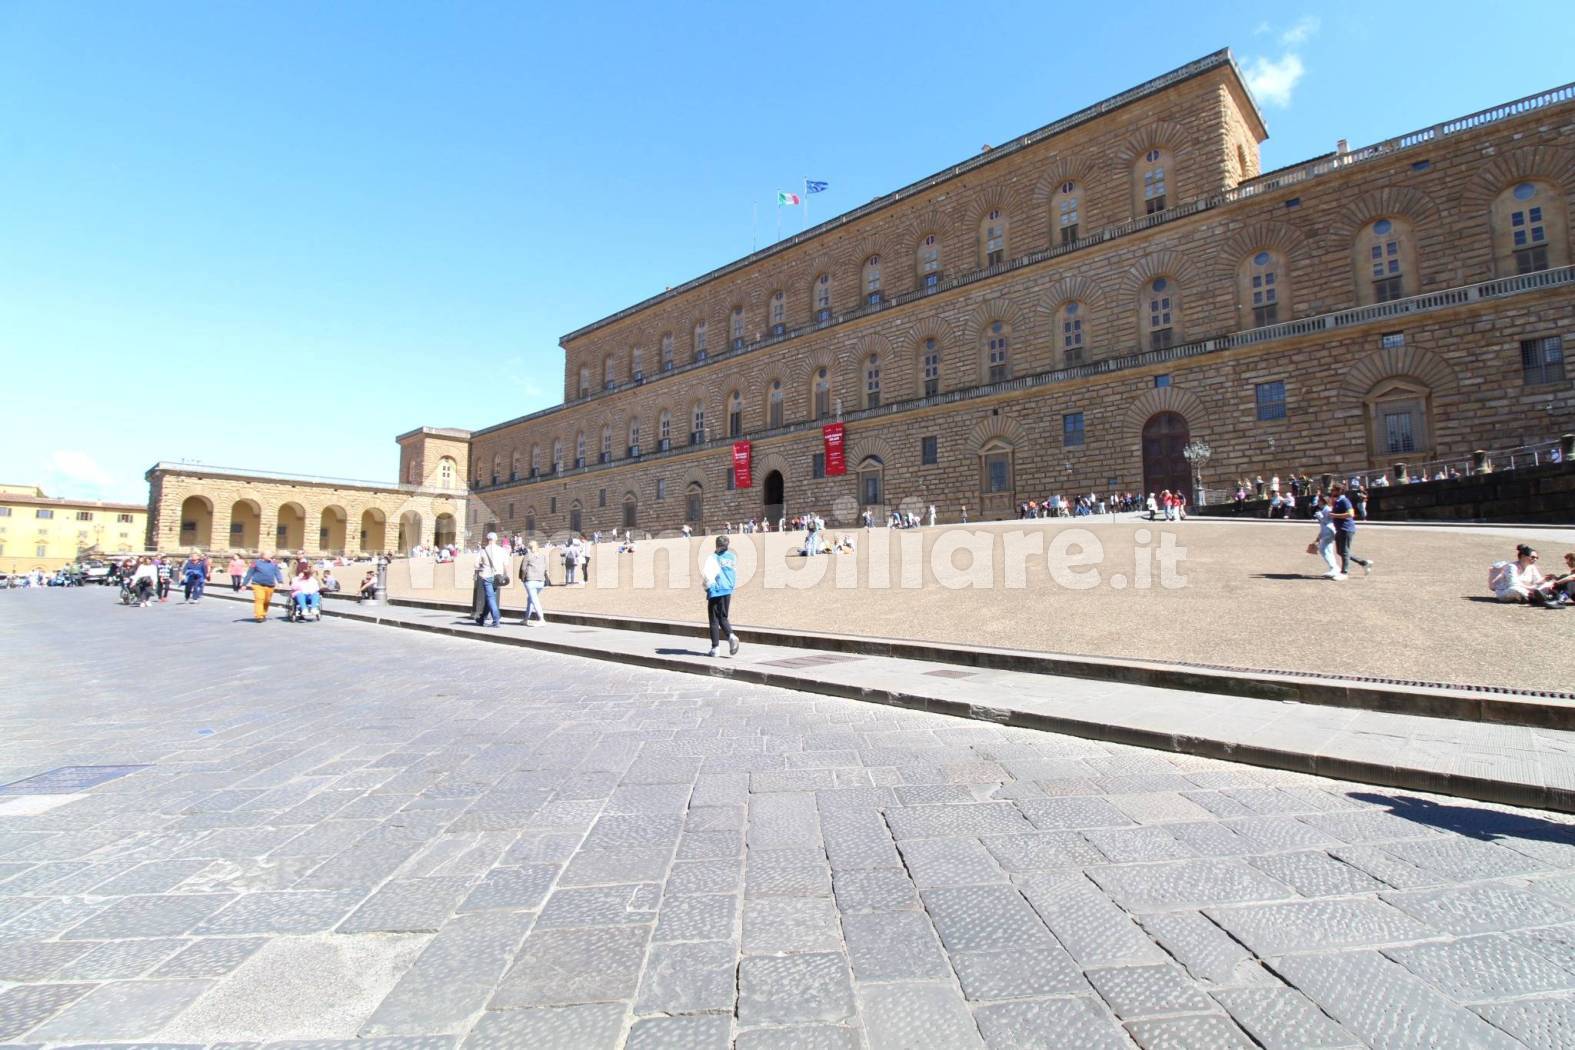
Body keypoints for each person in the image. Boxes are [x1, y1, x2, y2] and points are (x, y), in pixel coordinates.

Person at [701, 535, 740, 658]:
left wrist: (707, 588)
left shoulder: (713, 557)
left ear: (717, 545)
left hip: (716, 590)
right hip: (727, 590)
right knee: (723, 617)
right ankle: (731, 636)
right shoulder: (732, 557)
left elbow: (707, 575)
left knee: (713, 620)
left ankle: (715, 648)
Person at [1490, 545, 1566, 606]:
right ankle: (1536, 598)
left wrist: (1545, 579)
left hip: (1528, 590)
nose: (1535, 559)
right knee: (1515, 589)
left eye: (1537, 558)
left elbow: (1537, 581)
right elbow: (1513, 583)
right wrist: (1531, 588)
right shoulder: (1511, 566)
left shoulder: (1532, 567)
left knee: (1548, 585)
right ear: (1523, 556)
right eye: (1532, 557)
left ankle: (1532, 598)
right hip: (1508, 590)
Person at [1327, 484, 1372, 579]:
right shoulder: (1338, 501)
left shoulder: (1345, 501)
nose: (1332, 491)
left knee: (1344, 552)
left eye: (1333, 490)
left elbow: (1351, 514)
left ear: (1339, 491)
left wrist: (1334, 515)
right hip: (1340, 529)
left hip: (1346, 528)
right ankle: (1364, 563)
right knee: (1340, 551)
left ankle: (1344, 573)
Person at [474, 531, 509, 628]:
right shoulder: (502, 550)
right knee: (490, 598)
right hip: (498, 577)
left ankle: (496, 619)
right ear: (496, 539)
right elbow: (506, 564)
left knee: (490, 598)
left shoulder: (483, 550)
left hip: (487, 576)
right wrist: (505, 575)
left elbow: (476, 564)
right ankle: (482, 618)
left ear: (487, 539)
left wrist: (482, 567)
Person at [241, 552, 284, 621]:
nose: (271, 556)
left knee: (267, 601)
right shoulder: (255, 563)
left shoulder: (274, 563)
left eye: (271, 555)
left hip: (270, 585)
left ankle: (263, 613)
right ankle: (259, 616)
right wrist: (244, 584)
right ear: (263, 556)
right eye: (269, 554)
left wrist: (280, 582)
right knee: (259, 599)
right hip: (258, 584)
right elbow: (249, 573)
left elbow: (277, 572)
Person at [1308, 494, 1340, 578]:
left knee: (1323, 549)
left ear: (1323, 501)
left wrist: (1321, 518)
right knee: (1328, 550)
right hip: (1327, 531)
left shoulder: (1327, 509)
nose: (1318, 502)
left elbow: (1330, 521)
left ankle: (1334, 568)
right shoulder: (1324, 509)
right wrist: (1318, 537)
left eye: (1319, 501)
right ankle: (1334, 568)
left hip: (1329, 531)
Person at [520, 540, 548, 625]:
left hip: (530, 580)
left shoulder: (528, 555)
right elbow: (545, 569)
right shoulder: (542, 556)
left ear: (529, 547)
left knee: (534, 599)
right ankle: (526, 619)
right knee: (531, 599)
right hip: (541, 581)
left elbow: (523, 569)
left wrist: (522, 578)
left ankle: (541, 619)